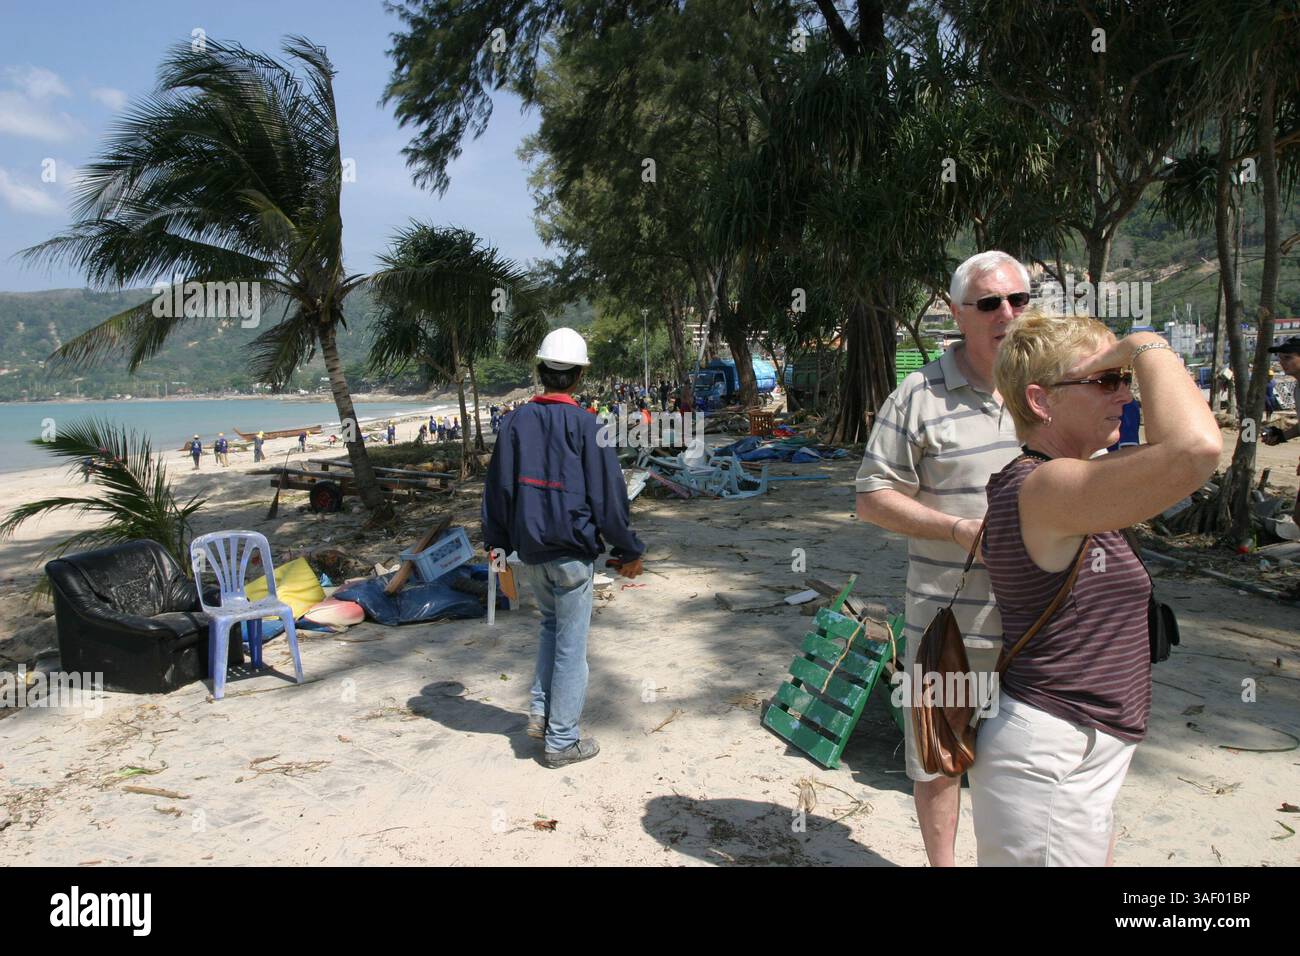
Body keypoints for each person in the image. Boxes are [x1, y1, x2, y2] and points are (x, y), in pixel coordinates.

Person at [970, 310, 1221, 866]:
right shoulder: (1048, 485)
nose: (1125, 395)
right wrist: (1144, 342)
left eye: (1126, 381)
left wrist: (1123, 362)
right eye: (1105, 380)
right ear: (1041, 401)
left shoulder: (1078, 479)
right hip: (1055, 749)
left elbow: (1172, 442)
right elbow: (1196, 448)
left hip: (1081, 744)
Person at [855, 250, 1029, 867]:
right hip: (948, 625)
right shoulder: (917, 397)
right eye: (989, 303)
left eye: (1019, 300)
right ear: (958, 313)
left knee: (1029, 772)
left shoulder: (1051, 388)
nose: (1007, 313)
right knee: (938, 760)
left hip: (1043, 628)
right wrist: (955, 529)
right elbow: (871, 497)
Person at [482, 327, 645, 768]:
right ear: (578, 377)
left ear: (540, 371)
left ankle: (540, 712)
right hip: (571, 554)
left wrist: (496, 548)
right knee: (571, 644)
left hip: (530, 552)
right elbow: (610, 499)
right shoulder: (591, 426)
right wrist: (629, 548)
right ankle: (561, 741)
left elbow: (497, 491)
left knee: (551, 631)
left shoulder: (514, 422)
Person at [1262, 337, 1300, 518]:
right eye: (1280, 358)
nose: (1282, 363)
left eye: (1287, 357)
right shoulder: (1297, 388)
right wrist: (1281, 436)